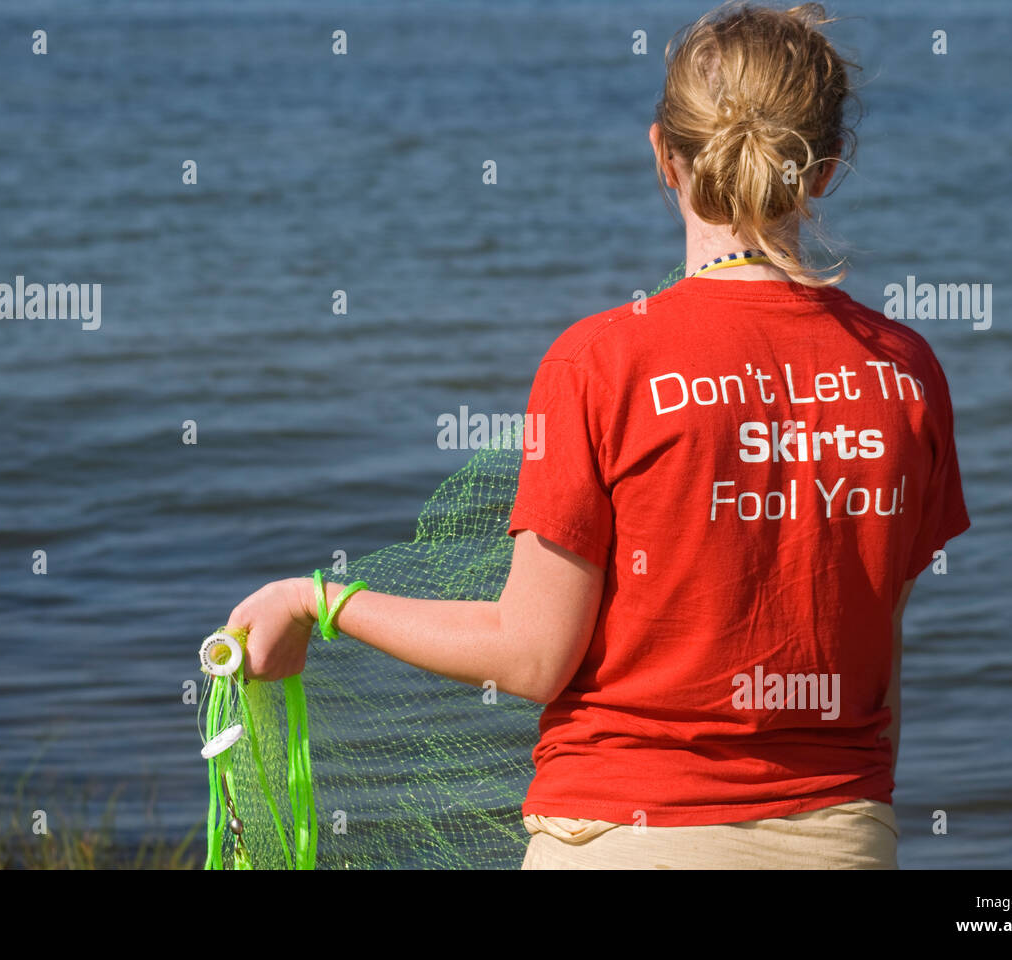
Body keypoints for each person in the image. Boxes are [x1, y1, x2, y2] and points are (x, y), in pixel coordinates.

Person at [226, 2, 971, 869]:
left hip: (623, 835)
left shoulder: (601, 362)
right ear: (828, 168)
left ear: (664, 155)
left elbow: (534, 655)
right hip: (842, 836)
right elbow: (873, 642)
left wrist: (319, 601)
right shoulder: (904, 372)